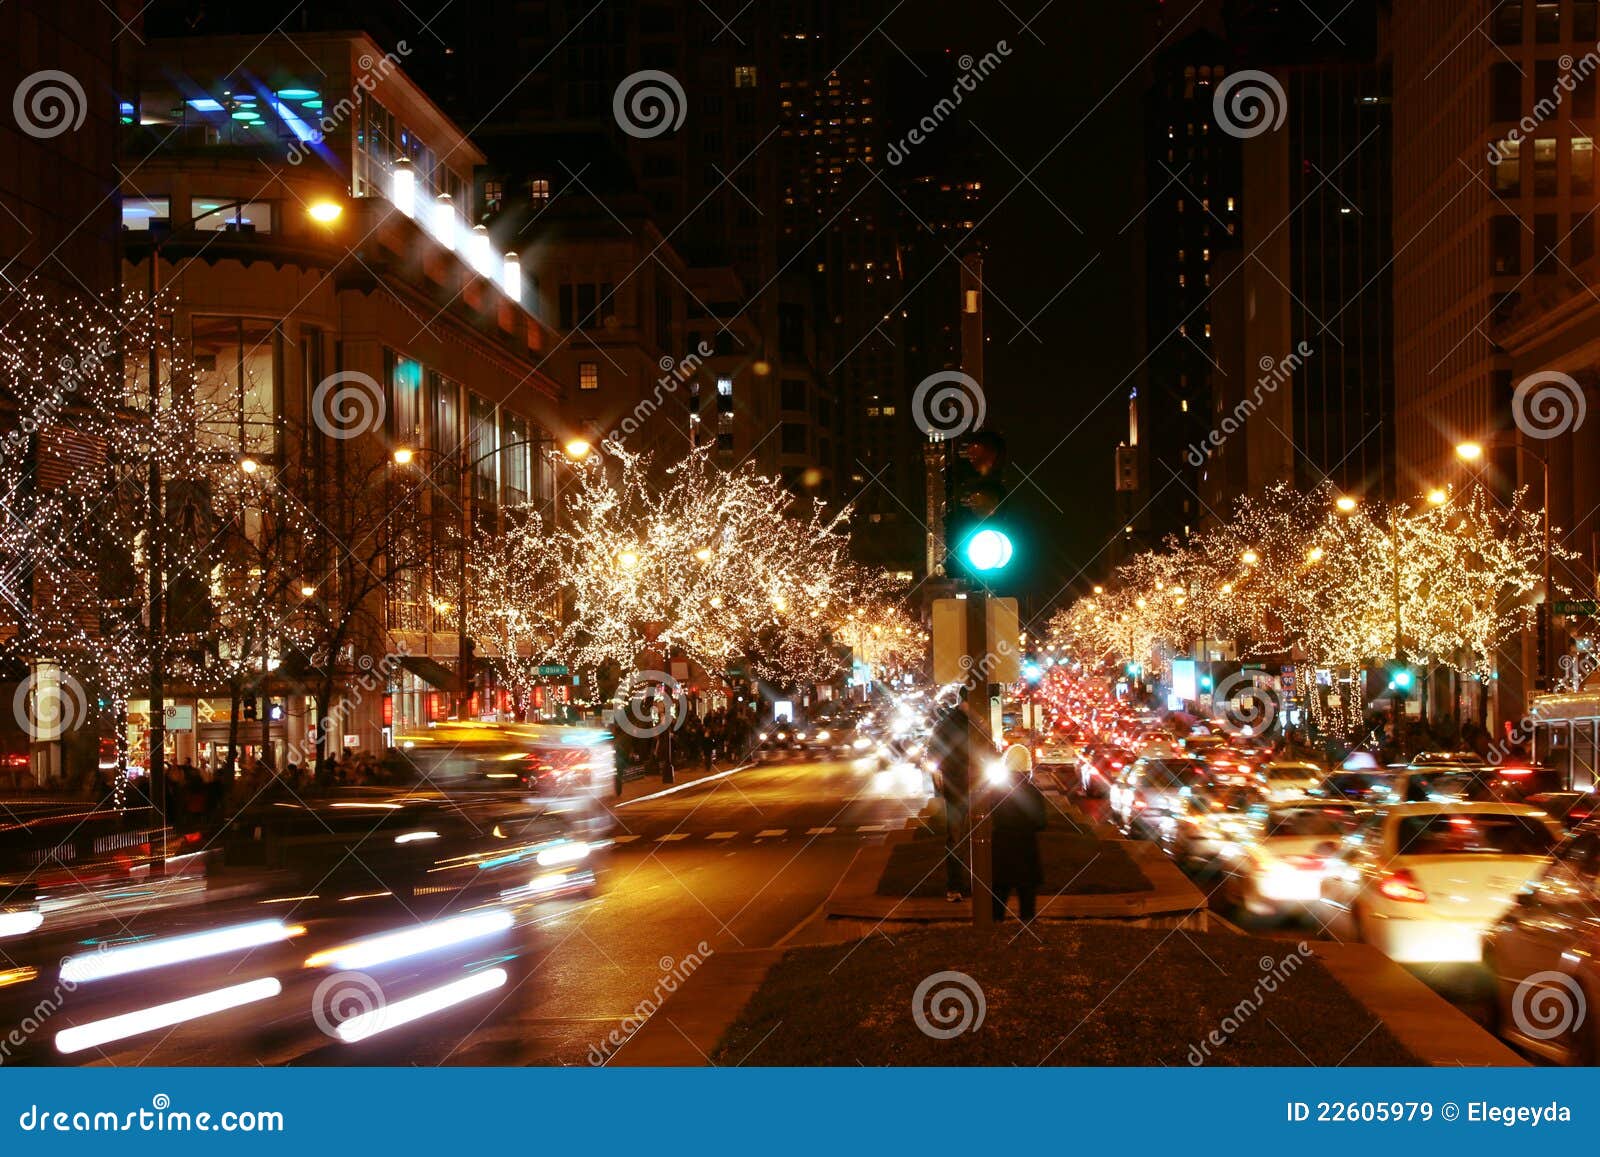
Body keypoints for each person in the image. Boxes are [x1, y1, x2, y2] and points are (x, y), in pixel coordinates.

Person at [989, 753, 1048, 923]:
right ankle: (1027, 921)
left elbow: (992, 815)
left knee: (1000, 887)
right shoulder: (1033, 793)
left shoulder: (997, 792)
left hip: (1003, 843)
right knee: (1027, 888)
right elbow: (1041, 822)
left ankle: (996, 920)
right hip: (1026, 844)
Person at [929, 695, 970, 902]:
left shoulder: (948, 723)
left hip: (960, 788)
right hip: (959, 788)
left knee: (958, 837)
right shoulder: (952, 724)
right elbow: (934, 755)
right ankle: (956, 886)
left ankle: (958, 886)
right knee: (957, 837)